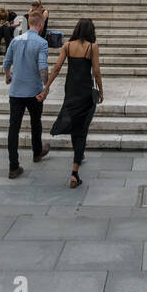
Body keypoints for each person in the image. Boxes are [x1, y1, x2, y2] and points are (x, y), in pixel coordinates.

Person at [39, 18, 104, 189]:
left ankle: (78, 155)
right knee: (82, 128)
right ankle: (75, 171)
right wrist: (101, 90)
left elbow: (57, 67)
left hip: (71, 91)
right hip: (85, 92)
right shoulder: (92, 47)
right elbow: (96, 71)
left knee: (76, 125)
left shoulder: (67, 46)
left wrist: (47, 87)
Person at [3, 9, 51, 177]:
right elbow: (42, 67)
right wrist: (46, 85)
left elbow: (6, 62)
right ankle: (37, 152)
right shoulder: (41, 43)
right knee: (35, 122)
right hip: (34, 90)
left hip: (16, 91)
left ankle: (13, 166)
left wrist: (8, 76)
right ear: (41, 24)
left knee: (13, 128)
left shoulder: (16, 41)